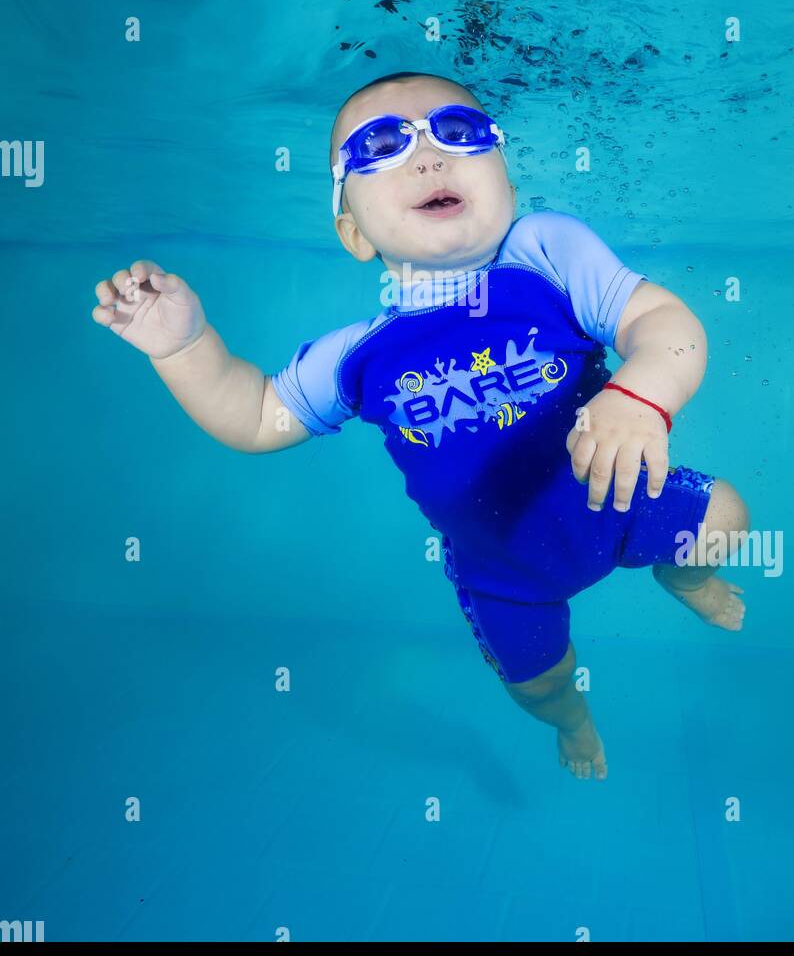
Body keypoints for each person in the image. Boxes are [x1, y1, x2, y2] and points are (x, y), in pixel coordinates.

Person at [92, 72, 750, 781]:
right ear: (351, 231)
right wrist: (186, 348)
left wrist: (638, 396)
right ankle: (573, 723)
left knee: (726, 518)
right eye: (381, 144)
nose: (428, 156)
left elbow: (661, 322)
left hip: (619, 495)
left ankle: (686, 580)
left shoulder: (545, 254)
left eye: (459, 132)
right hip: (504, 572)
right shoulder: (356, 357)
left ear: (508, 181)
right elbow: (255, 416)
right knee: (540, 686)